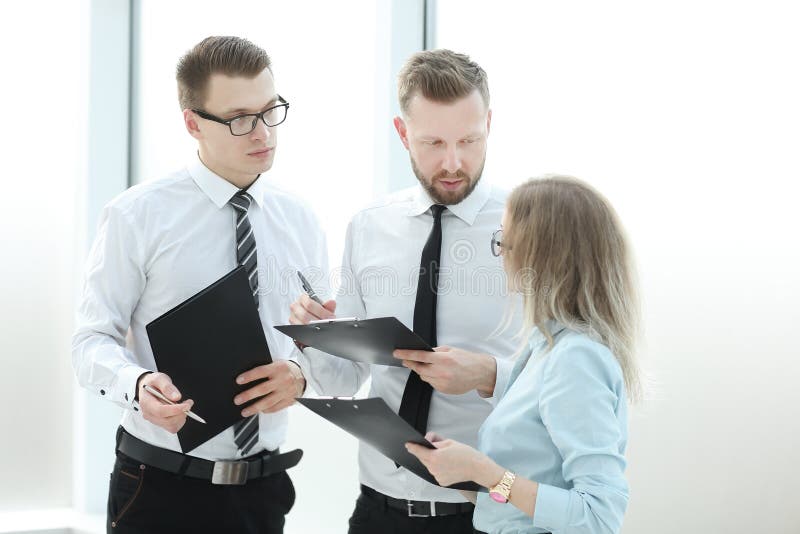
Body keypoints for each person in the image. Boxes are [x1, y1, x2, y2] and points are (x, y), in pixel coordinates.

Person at [72, 36, 325, 533]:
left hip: (264, 491)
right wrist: (137, 385)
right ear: (193, 123)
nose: (263, 133)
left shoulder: (300, 219)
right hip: (159, 489)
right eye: (240, 118)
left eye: (270, 111)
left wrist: (300, 374)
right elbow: (90, 341)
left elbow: (320, 341)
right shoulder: (137, 215)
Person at [288, 49, 521, 533]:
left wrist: (489, 374)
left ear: (489, 124)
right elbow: (343, 379)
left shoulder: (532, 229)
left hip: (489, 513)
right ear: (402, 133)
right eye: (433, 142)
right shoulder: (369, 227)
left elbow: (573, 381)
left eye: (469, 140)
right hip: (379, 511)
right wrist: (314, 339)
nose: (453, 162)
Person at [403, 176, 642, 534]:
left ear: (542, 256)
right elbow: (520, 502)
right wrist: (463, 472)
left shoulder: (577, 359)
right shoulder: (543, 347)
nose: (500, 253)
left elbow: (598, 517)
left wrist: (484, 471)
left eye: (506, 241)